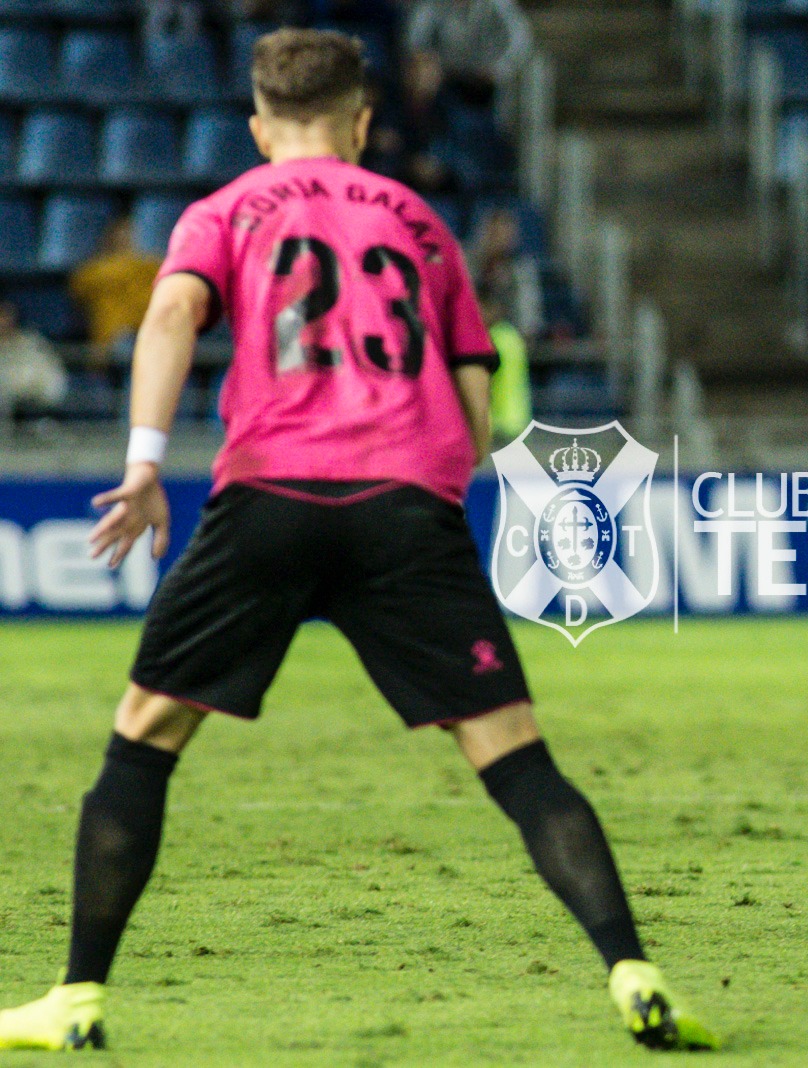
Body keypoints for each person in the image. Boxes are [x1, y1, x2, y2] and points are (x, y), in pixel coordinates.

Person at [0, 29, 715, 1054]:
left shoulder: (224, 210)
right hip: (403, 505)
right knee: (516, 759)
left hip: (271, 495)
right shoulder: (421, 222)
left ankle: (76, 998)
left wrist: (147, 461)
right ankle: (632, 970)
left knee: (143, 738)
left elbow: (167, 318)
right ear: (363, 123)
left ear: (258, 124)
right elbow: (473, 405)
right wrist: (423, 482)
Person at [68, 217, 161, 374]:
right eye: (119, 235)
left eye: (127, 235)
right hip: (108, 342)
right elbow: (78, 290)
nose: (123, 239)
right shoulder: (94, 272)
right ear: (108, 239)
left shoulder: (150, 268)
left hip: (147, 334)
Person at [0, 299, 68, 423]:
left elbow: (53, 379)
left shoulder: (31, 343)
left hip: (32, 411)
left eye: (6, 316)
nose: (3, 321)